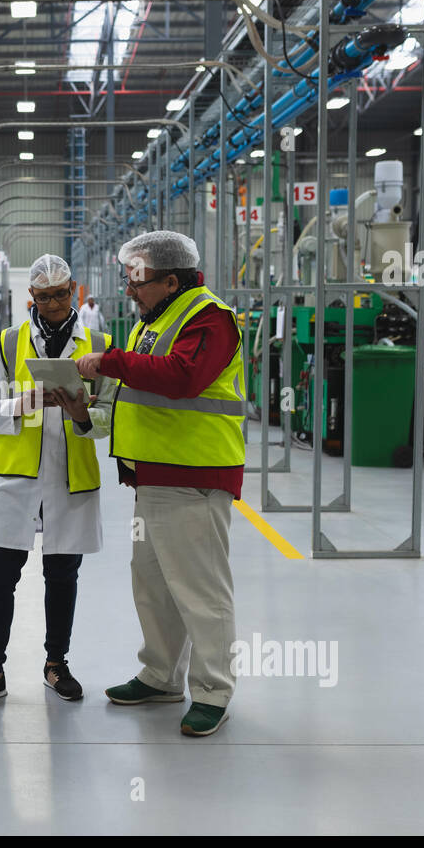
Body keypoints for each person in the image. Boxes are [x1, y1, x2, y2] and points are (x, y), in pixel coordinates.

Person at [75, 231, 244, 737]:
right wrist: (85, 413)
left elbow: (182, 378)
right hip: (153, 476)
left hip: (195, 476)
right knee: (153, 585)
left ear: (171, 281)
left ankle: (213, 690)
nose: (131, 289)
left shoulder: (210, 318)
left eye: (139, 280)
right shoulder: (154, 321)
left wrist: (111, 361)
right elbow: (138, 398)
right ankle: (161, 674)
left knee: (200, 589)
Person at [0, 254, 115, 710]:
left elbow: (113, 419)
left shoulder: (99, 343)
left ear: (74, 291)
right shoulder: (8, 344)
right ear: (32, 297)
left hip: (70, 479)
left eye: (60, 295)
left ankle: (56, 664)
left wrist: (82, 413)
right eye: (43, 297)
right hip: (15, 479)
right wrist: (24, 400)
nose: (52, 304)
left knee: (62, 575)